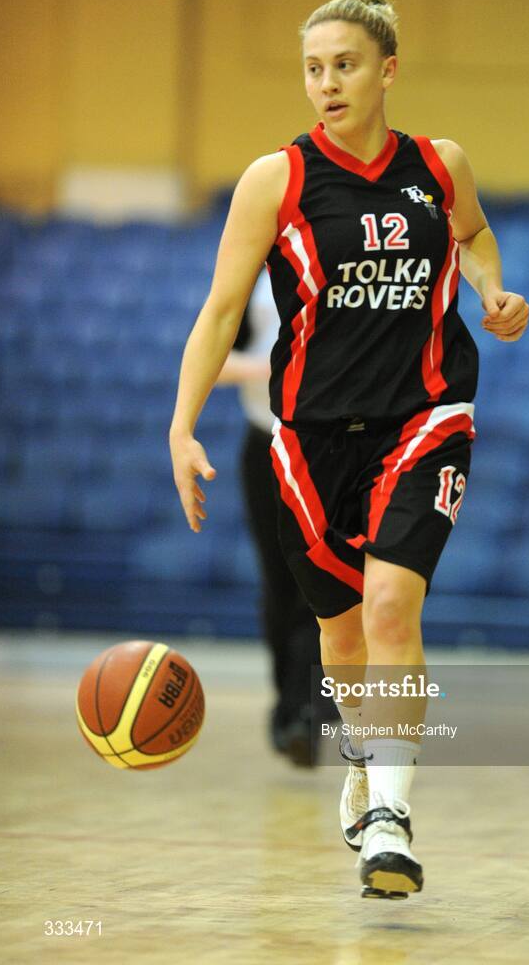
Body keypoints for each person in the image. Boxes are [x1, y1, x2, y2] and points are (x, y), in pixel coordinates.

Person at [169, 0, 529, 899]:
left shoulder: (438, 164)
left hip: (426, 418)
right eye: (313, 68)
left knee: (389, 611)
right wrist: (181, 427)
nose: (326, 83)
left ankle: (392, 819)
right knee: (340, 635)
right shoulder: (276, 179)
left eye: (345, 65)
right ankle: (363, 764)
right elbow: (217, 315)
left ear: (387, 70)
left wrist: (489, 291)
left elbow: (474, 233)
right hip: (309, 437)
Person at [214, 268, 333, 768]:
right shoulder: (251, 277)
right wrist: (268, 369)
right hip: (264, 441)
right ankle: (289, 704)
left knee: (321, 583)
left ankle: (307, 711)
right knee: (278, 580)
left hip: (329, 444)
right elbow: (214, 360)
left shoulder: (340, 259)